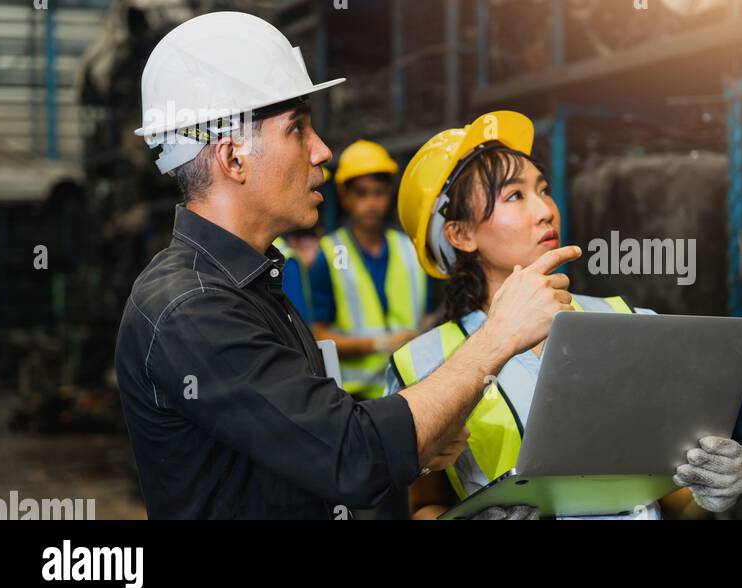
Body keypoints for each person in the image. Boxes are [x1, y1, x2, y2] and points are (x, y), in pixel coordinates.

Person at [114, 12, 580, 519]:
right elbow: (349, 455)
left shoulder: (250, 284)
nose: (322, 151)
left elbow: (306, 442)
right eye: (298, 129)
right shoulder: (191, 306)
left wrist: (416, 448)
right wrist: (498, 337)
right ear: (234, 158)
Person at [387, 111, 742, 520]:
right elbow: (424, 505)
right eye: (514, 196)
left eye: (543, 190)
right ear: (461, 234)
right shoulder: (422, 363)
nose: (545, 210)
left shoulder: (628, 322)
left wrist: (707, 491)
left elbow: (671, 502)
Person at [309, 140, 428, 399]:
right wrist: (377, 344)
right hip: (355, 398)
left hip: (412, 388)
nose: (372, 202)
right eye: (362, 193)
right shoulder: (329, 255)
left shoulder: (409, 249)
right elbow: (318, 336)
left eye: (379, 192)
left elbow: (427, 317)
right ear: (344, 196)